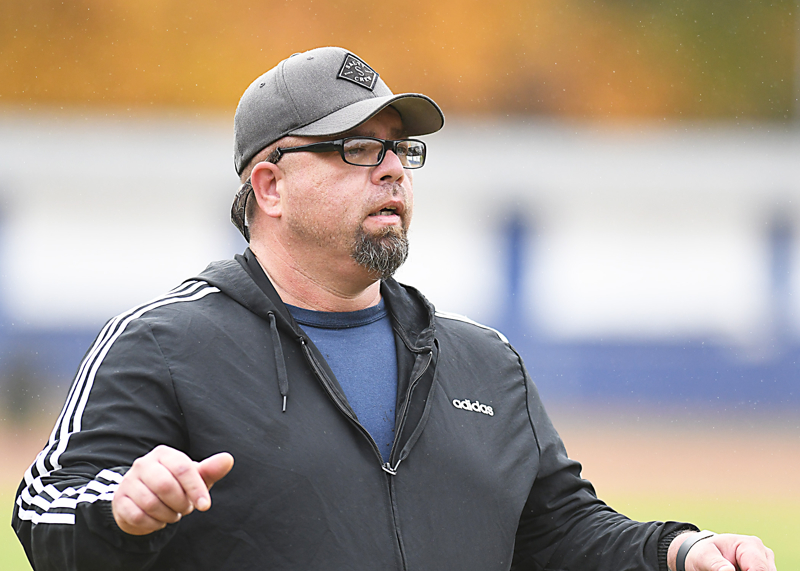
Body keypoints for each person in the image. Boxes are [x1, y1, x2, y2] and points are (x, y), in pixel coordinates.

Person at [13, 46, 775, 571]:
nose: (390, 169)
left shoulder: (484, 361)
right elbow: (45, 509)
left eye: (400, 149)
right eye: (354, 147)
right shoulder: (163, 344)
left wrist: (677, 549)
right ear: (270, 186)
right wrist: (122, 504)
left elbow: (559, 530)